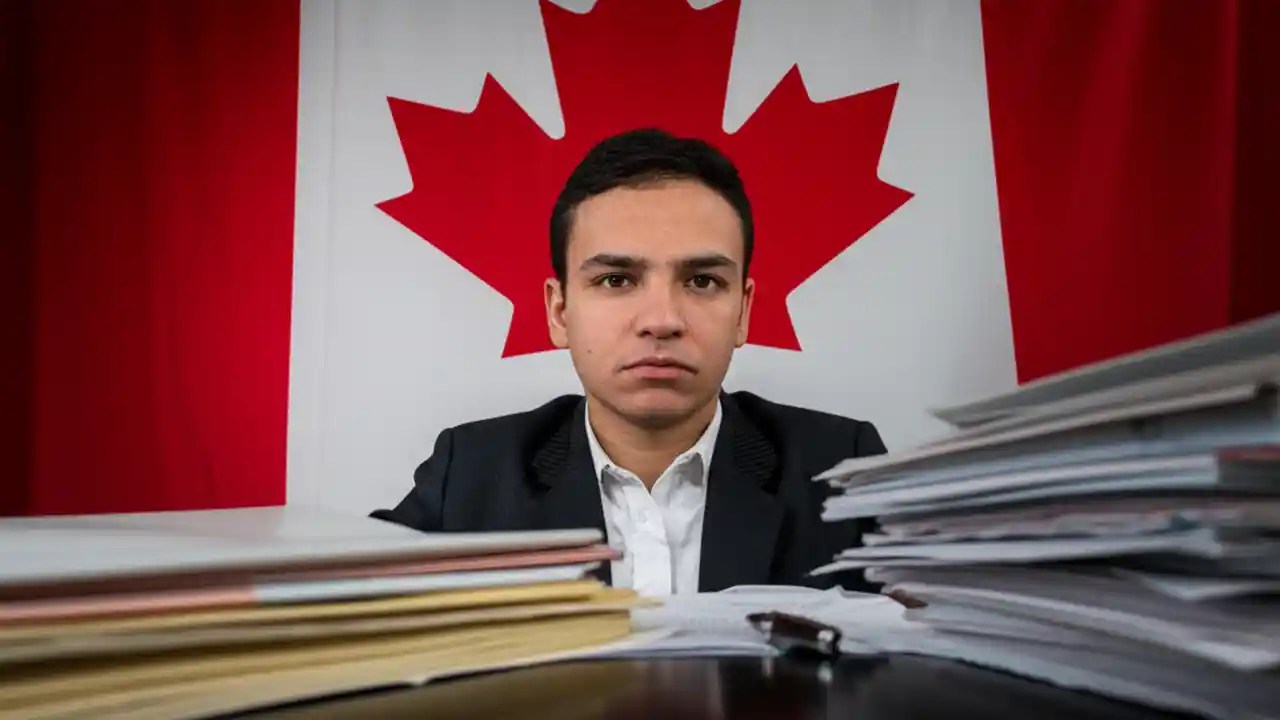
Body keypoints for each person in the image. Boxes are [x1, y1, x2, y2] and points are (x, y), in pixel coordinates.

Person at [373, 128, 887, 594]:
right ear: (559, 311)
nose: (661, 320)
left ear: (743, 313)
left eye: (702, 281)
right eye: (616, 280)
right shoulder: (469, 474)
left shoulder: (844, 472)